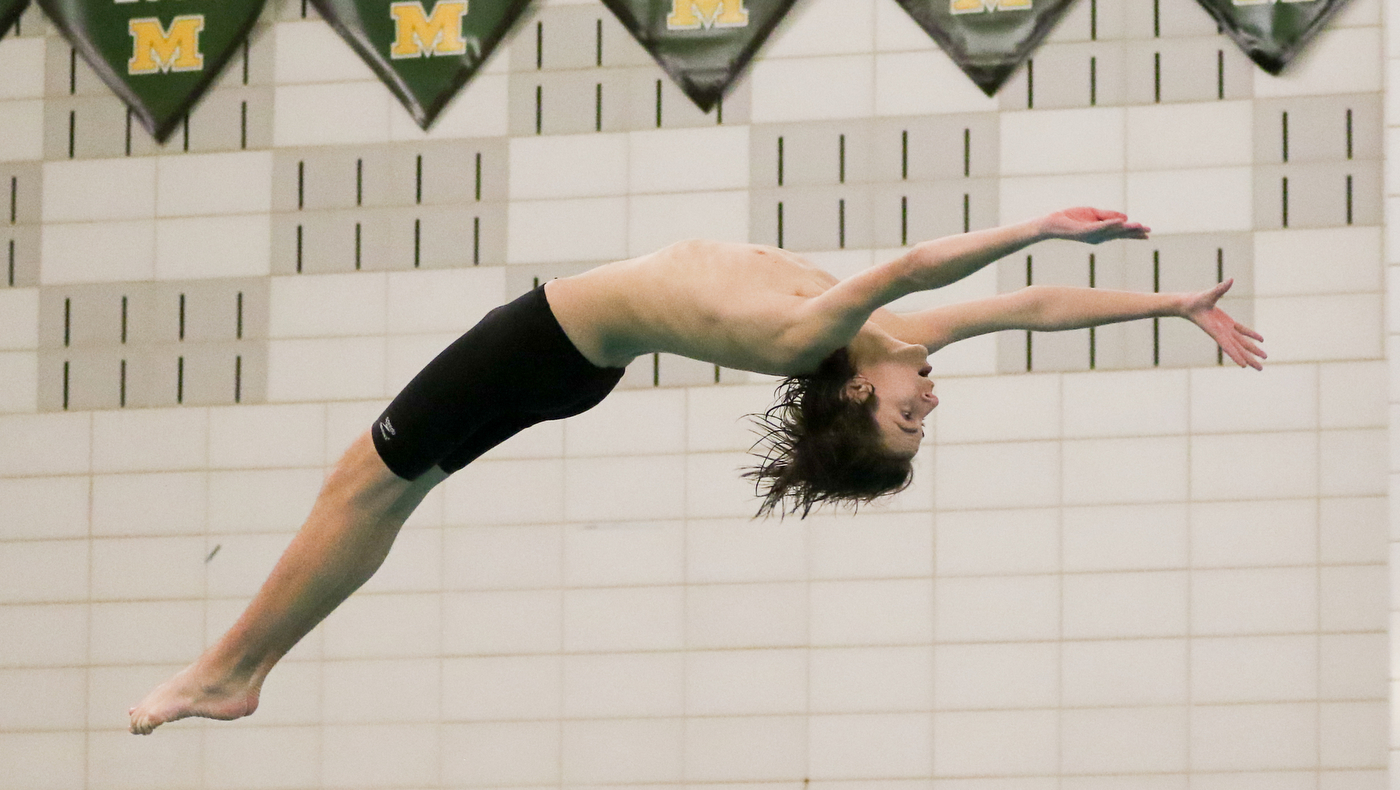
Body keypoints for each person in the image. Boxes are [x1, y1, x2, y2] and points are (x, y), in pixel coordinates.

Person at [127, 206, 1264, 734]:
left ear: (854, 404)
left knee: (364, 485)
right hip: (576, 356)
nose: (927, 401)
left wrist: (1039, 223)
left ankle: (227, 669)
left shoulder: (811, 336)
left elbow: (923, 258)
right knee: (390, 491)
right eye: (923, 414)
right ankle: (239, 665)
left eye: (907, 422)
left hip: (544, 343)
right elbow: (1029, 309)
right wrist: (1165, 304)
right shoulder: (888, 343)